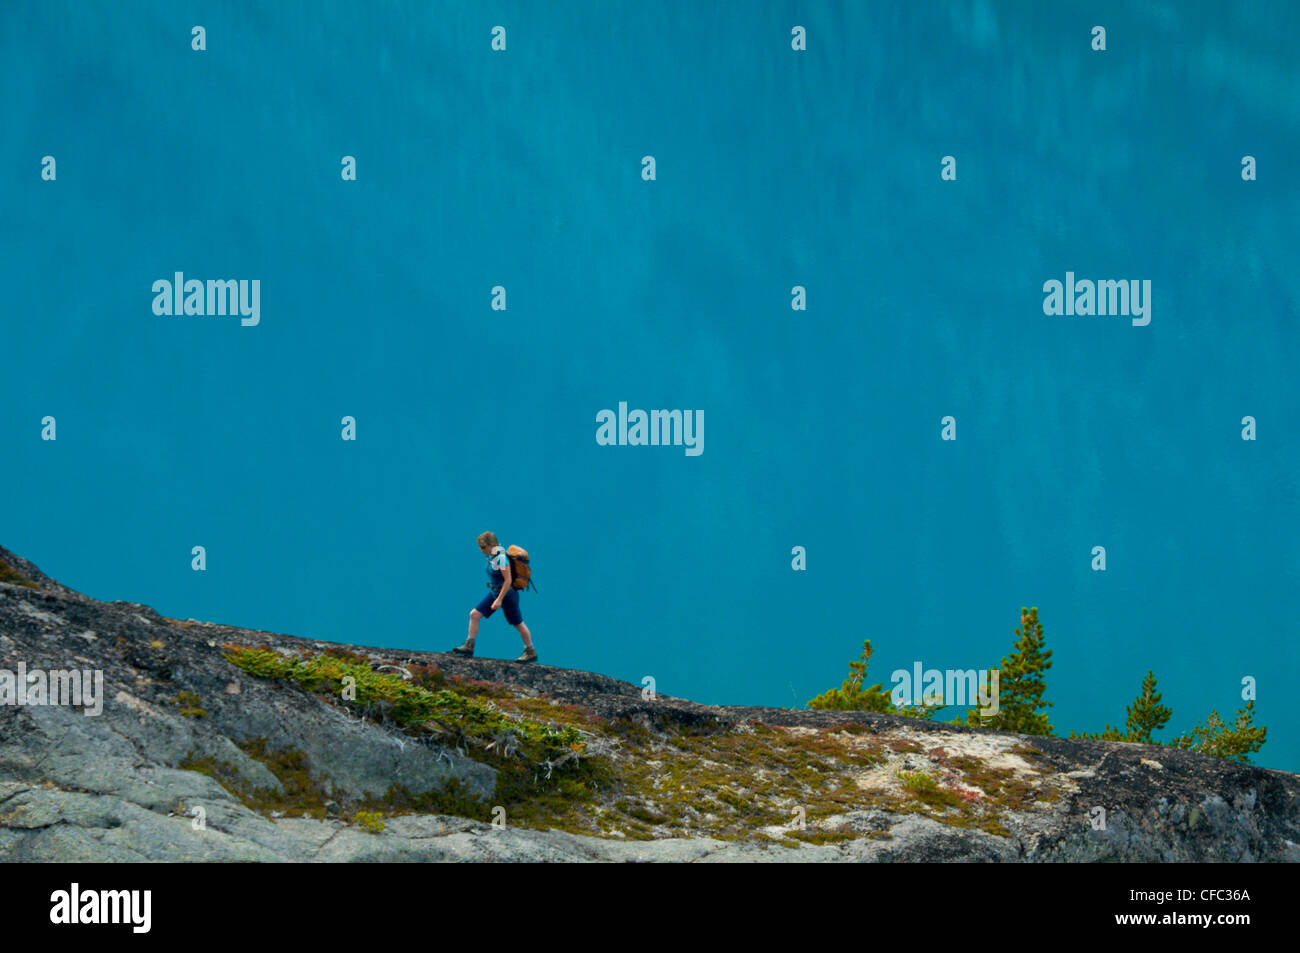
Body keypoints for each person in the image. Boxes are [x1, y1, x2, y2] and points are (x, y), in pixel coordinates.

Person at [452, 531, 537, 662]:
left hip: (507, 595)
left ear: (491, 545)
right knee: (474, 615)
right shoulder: (493, 555)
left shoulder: (501, 558)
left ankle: (530, 651)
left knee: (518, 623)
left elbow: (508, 581)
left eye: (483, 547)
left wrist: (499, 600)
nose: (480, 549)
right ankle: (469, 645)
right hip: (494, 591)